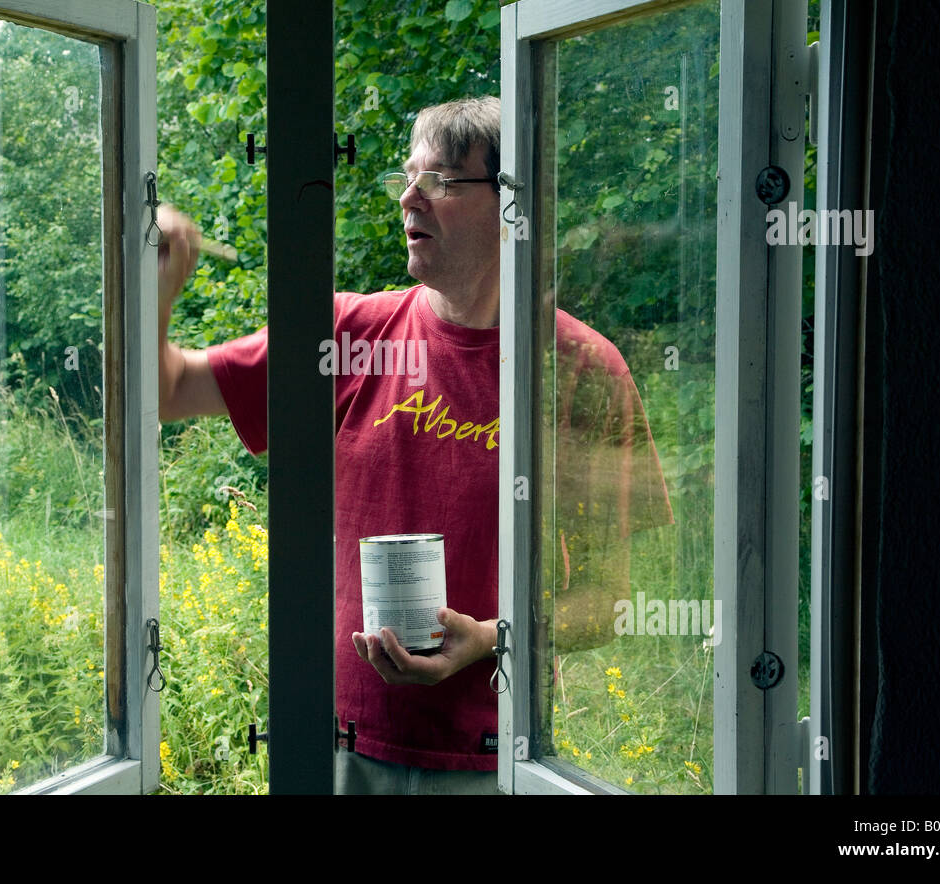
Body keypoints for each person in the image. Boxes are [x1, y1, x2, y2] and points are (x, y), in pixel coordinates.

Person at [156, 96, 672, 794]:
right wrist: (156, 283)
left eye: (440, 181)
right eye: (408, 175)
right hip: (337, 745)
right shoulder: (347, 335)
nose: (408, 198)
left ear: (509, 201)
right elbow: (169, 390)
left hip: (497, 757)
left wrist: (490, 639)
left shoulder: (580, 368)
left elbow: (606, 602)